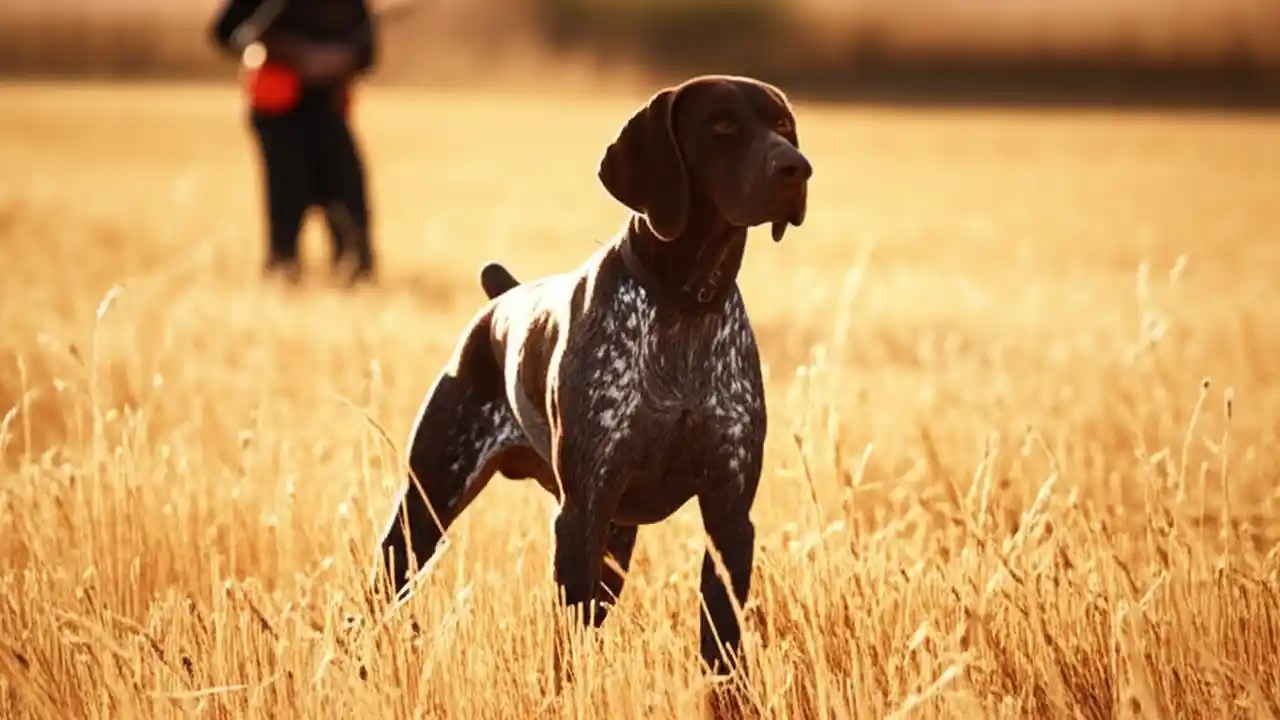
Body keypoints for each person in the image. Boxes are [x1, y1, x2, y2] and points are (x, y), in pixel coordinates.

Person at [210, 0, 378, 285]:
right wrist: (294, 53)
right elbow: (228, 33)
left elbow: (366, 51)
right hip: (277, 110)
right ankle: (283, 274)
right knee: (288, 196)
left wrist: (340, 58)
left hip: (327, 107)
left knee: (348, 195)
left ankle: (355, 276)